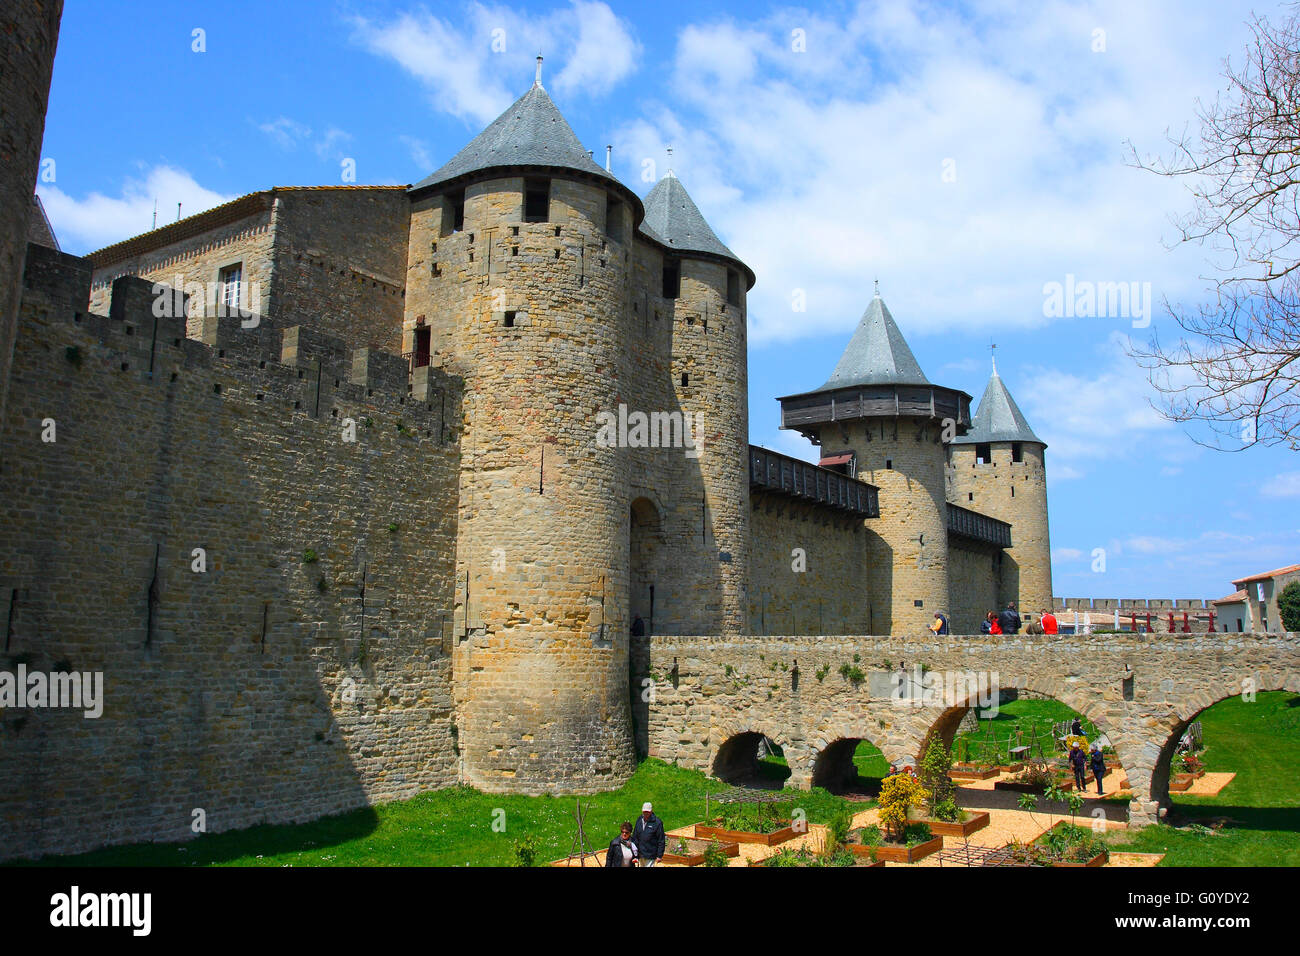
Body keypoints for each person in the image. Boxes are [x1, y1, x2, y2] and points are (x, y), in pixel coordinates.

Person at [633, 802, 665, 867]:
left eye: (647, 811)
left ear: (651, 811)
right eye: (644, 811)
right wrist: (635, 854)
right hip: (640, 854)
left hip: (650, 854)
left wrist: (659, 855)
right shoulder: (639, 820)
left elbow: (661, 840)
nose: (646, 813)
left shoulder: (657, 822)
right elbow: (635, 836)